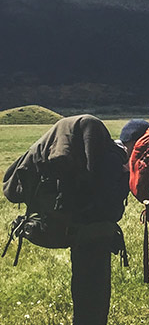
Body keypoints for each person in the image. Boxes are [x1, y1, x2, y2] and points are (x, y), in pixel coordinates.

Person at [3, 115, 129, 325]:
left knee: (81, 290)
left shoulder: (59, 156)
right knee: (93, 298)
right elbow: (111, 210)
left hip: (66, 229)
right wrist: (123, 177)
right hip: (94, 236)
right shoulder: (104, 159)